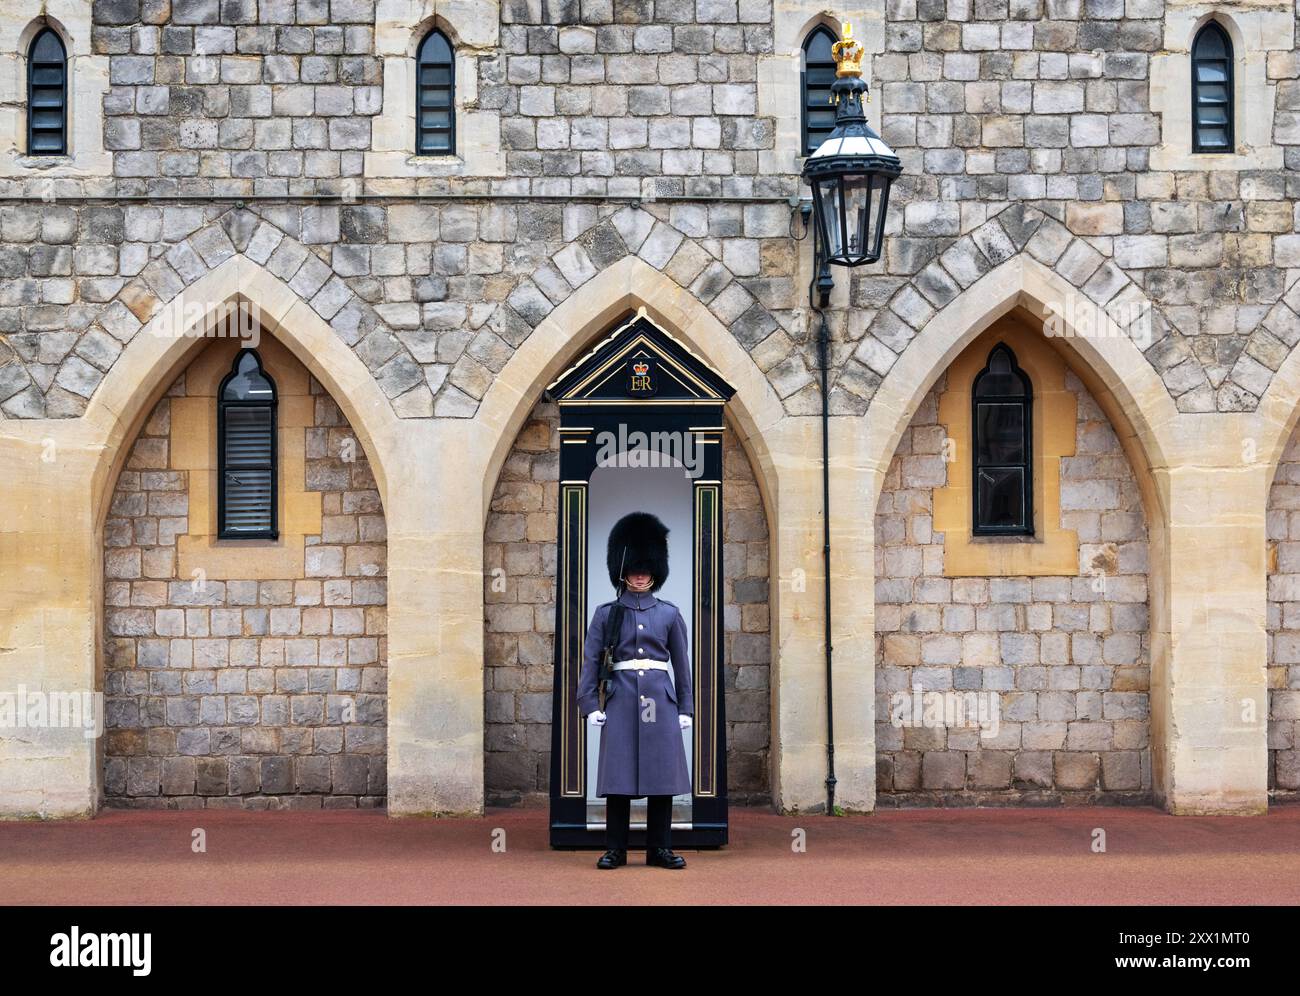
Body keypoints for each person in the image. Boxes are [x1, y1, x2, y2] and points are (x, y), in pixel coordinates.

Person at [577, 510, 693, 870]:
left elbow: (681, 664)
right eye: (634, 569)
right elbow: (591, 660)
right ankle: (617, 849)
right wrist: (587, 702)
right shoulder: (606, 613)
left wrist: (686, 706)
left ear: (655, 570)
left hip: (661, 699)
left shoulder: (669, 614)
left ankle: (659, 849)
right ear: (623, 571)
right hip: (621, 698)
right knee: (618, 778)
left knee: (661, 777)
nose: (640, 575)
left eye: (646, 569)